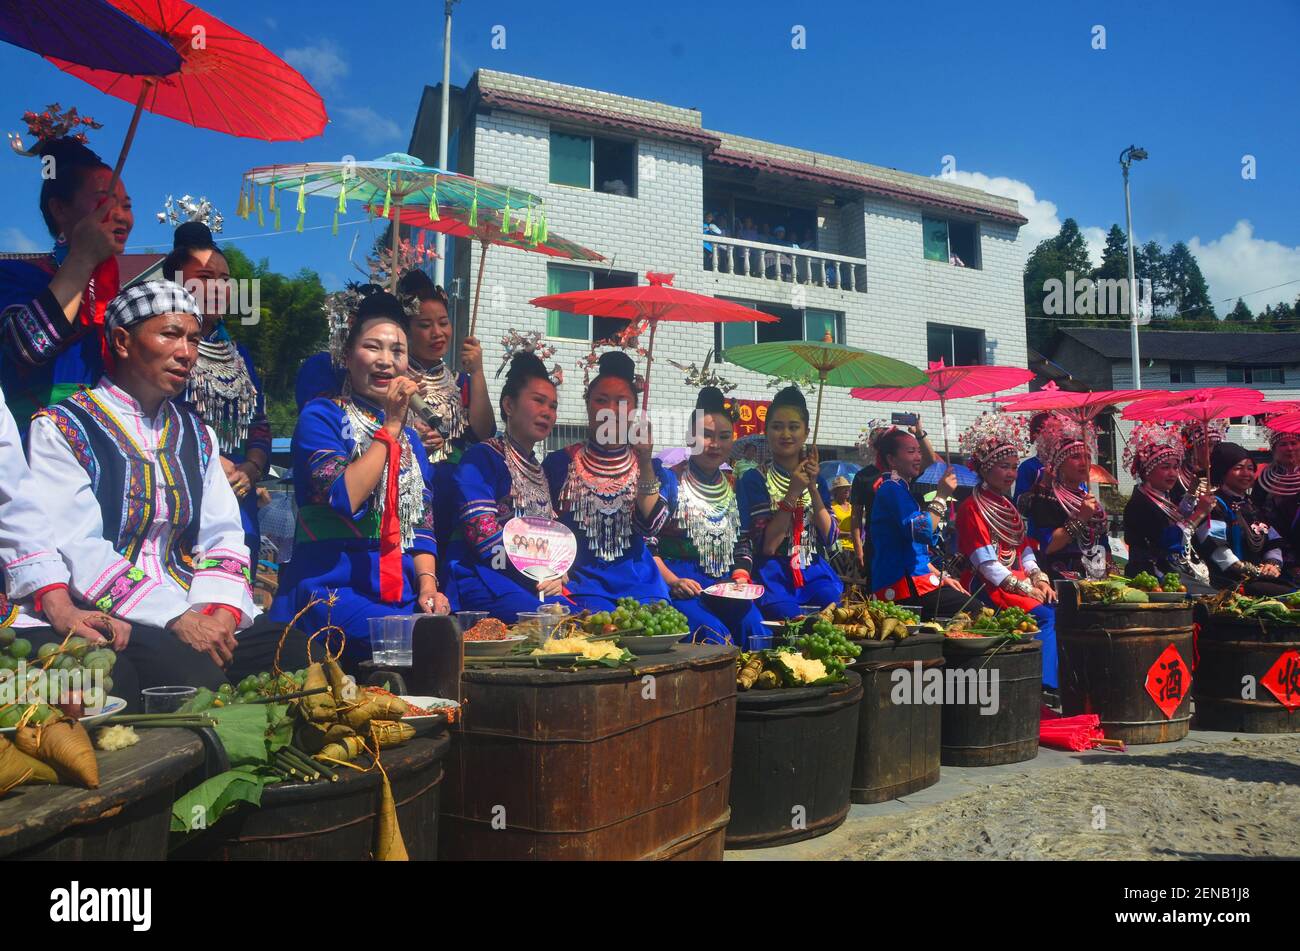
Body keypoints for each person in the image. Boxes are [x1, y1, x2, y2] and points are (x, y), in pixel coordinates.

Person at [27, 281, 308, 690]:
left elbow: (223, 535)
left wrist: (221, 615)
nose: (187, 353)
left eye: (193, 339)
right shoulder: (62, 429)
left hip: (199, 608)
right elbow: (76, 545)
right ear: (122, 341)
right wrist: (177, 616)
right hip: (118, 615)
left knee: (299, 653)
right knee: (193, 679)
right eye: (170, 334)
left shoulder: (197, 435)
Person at [270, 291, 449, 665]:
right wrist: (392, 427)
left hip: (396, 584)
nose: (386, 361)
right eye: (373, 347)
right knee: (422, 645)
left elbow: (421, 519)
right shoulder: (321, 417)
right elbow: (343, 495)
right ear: (348, 357)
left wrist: (428, 585)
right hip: (332, 583)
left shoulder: (411, 439)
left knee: (446, 634)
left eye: (397, 351)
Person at [0, 134, 133, 431]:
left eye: (126, 205)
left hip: (105, 447)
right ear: (59, 209)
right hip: (29, 448)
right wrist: (83, 257)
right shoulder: (14, 275)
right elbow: (29, 348)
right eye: (104, 201)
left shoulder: (122, 298)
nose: (121, 216)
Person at [163, 221, 271, 564]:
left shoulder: (240, 356)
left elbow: (260, 423)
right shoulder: (160, 349)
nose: (220, 288)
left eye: (225, 280)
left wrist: (251, 468)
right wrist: (210, 459)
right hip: (180, 489)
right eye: (206, 278)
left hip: (239, 494)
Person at [447, 351, 571, 621]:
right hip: (483, 574)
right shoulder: (481, 458)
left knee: (580, 618)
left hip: (532, 580)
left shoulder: (538, 468)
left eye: (553, 406)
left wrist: (558, 572)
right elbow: (483, 537)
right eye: (538, 401)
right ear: (509, 405)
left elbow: (553, 539)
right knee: (543, 622)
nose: (547, 413)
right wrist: (541, 570)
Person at [542, 351, 670, 610]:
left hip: (640, 582)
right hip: (582, 582)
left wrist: (644, 460)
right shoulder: (559, 464)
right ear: (588, 404)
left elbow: (651, 526)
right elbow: (543, 527)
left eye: (621, 402)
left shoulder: (653, 468)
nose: (610, 411)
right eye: (601, 400)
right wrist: (554, 569)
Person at [651, 387, 764, 646]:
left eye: (724, 437)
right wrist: (672, 580)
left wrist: (741, 576)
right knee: (714, 636)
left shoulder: (735, 484)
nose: (715, 444)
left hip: (724, 585)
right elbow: (648, 540)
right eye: (707, 435)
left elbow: (743, 542)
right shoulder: (670, 479)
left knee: (755, 629)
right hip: (679, 582)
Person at [955, 412, 1058, 688]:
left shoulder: (1008, 507)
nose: (1012, 474)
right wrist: (1026, 589)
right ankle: (1044, 686)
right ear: (985, 468)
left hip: (1015, 581)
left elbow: (1023, 547)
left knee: (1054, 604)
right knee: (1046, 616)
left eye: (1014, 467)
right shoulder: (972, 507)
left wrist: (1040, 579)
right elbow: (986, 564)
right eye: (1004, 467)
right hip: (988, 585)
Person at [738, 386, 842, 619]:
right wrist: (793, 492)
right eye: (777, 427)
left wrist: (813, 488)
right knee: (787, 615)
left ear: (806, 433)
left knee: (831, 604)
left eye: (794, 427)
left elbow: (830, 537)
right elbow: (768, 546)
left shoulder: (818, 480)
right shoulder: (755, 479)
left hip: (812, 569)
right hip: (773, 572)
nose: (786, 434)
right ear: (766, 432)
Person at [398, 268, 493, 465]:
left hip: (453, 487)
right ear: (406, 330)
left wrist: (477, 372)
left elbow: (484, 433)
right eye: (425, 325)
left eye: (443, 323)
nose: (437, 333)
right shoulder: (394, 381)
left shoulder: (461, 383)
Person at [870, 427, 967, 619]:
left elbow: (915, 550)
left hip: (914, 580)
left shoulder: (900, 487)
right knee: (975, 609)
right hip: (901, 586)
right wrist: (941, 496)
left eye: (918, 451)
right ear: (892, 460)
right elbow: (922, 531)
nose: (918, 457)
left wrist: (941, 577)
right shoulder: (892, 489)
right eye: (910, 451)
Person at [1122, 421, 1216, 593]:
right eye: (1165, 467)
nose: (1173, 473)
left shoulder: (1164, 496)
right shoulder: (1140, 504)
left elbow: (1178, 515)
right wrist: (1200, 513)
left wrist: (1192, 491)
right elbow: (1167, 541)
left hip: (1172, 568)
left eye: (1175, 467)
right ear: (1147, 471)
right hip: (1152, 573)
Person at [1193, 442, 1294, 596]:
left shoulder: (1252, 505)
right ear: (1223, 471)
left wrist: (1273, 565)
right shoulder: (1213, 505)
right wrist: (1251, 571)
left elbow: (1273, 540)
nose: (1246, 474)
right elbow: (1216, 547)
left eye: (1250, 468)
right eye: (1238, 468)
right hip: (1229, 582)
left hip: (1259, 578)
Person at [1025, 415, 1111, 581]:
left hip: (1095, 575)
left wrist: (1109, 569)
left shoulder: (1086, 496)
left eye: (1087, 456)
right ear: (1059, 463)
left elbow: (1102, 541)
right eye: (1075, 457)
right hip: (1060, 577)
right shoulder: (1046, 496)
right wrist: (1082, 517)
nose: (1084, 463)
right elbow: (1049, 545)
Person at [850, 418, 936, 581]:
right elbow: (856, 517)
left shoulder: (904, 472)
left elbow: (929, 460)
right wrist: (858, 550)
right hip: (876, 542)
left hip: (904, 540)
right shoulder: (864, 476)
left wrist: (919, 434)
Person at [1252, 422, 1300, 578]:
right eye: (1283, 444)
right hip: (1276, 550)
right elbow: (1256, 516)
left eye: (1294, 443)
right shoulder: (1263, 481)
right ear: (1274, 449)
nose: (1290, 448)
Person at [1013, 412, 1050, 504]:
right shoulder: (1028, 467)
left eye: (1059, 431)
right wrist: (1043, 483)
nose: (1057, 437)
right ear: (1036, 435)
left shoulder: (1066, 465)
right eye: (1049, 431)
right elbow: (1019, 504)